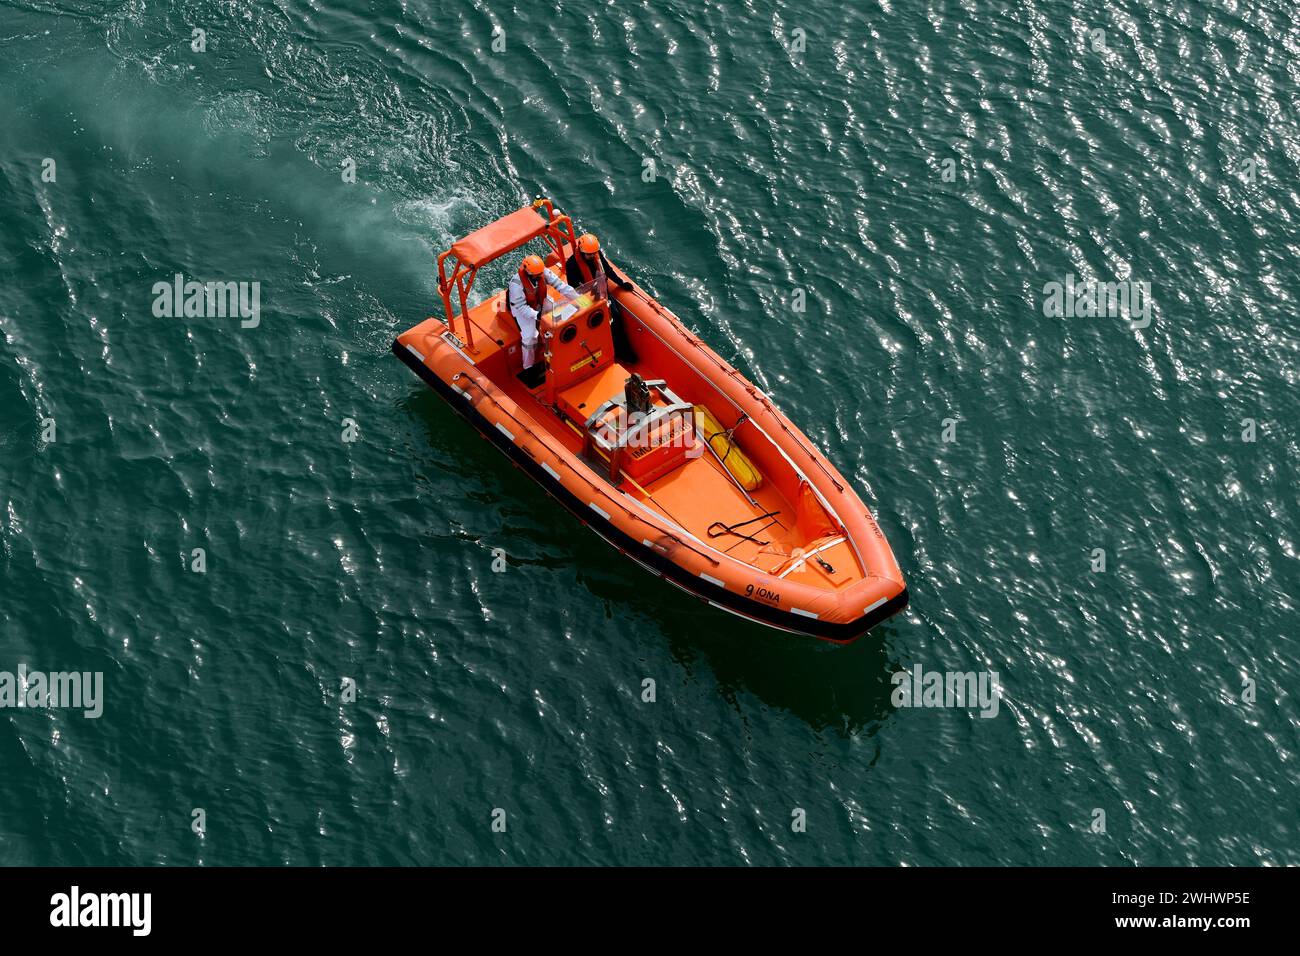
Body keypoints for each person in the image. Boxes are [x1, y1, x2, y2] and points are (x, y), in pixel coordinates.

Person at [564, 234, 639, 363]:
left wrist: (621, 283)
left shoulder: (597, 256)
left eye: (594, 253)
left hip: (602, 293)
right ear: (582, 252)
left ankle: (623, 351)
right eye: (589, 254)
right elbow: (574, 287)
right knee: (597, 326)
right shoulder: (571, 264)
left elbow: (608, 270)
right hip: (586, 298)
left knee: (616, 319)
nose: (592, 256)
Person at [507, 253, 576, 381]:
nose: (540, 277)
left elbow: (560, 285)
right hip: (523, 309)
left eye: (541, 275)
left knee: (558, 321)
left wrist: (578, 299)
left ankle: (556, 353)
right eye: (537, 276)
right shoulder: (516, 284)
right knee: (530, 336)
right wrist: (538, 315)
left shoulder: (542, 272)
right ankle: (528, 367)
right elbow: (521, 307)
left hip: (540, 301)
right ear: (528, 272)